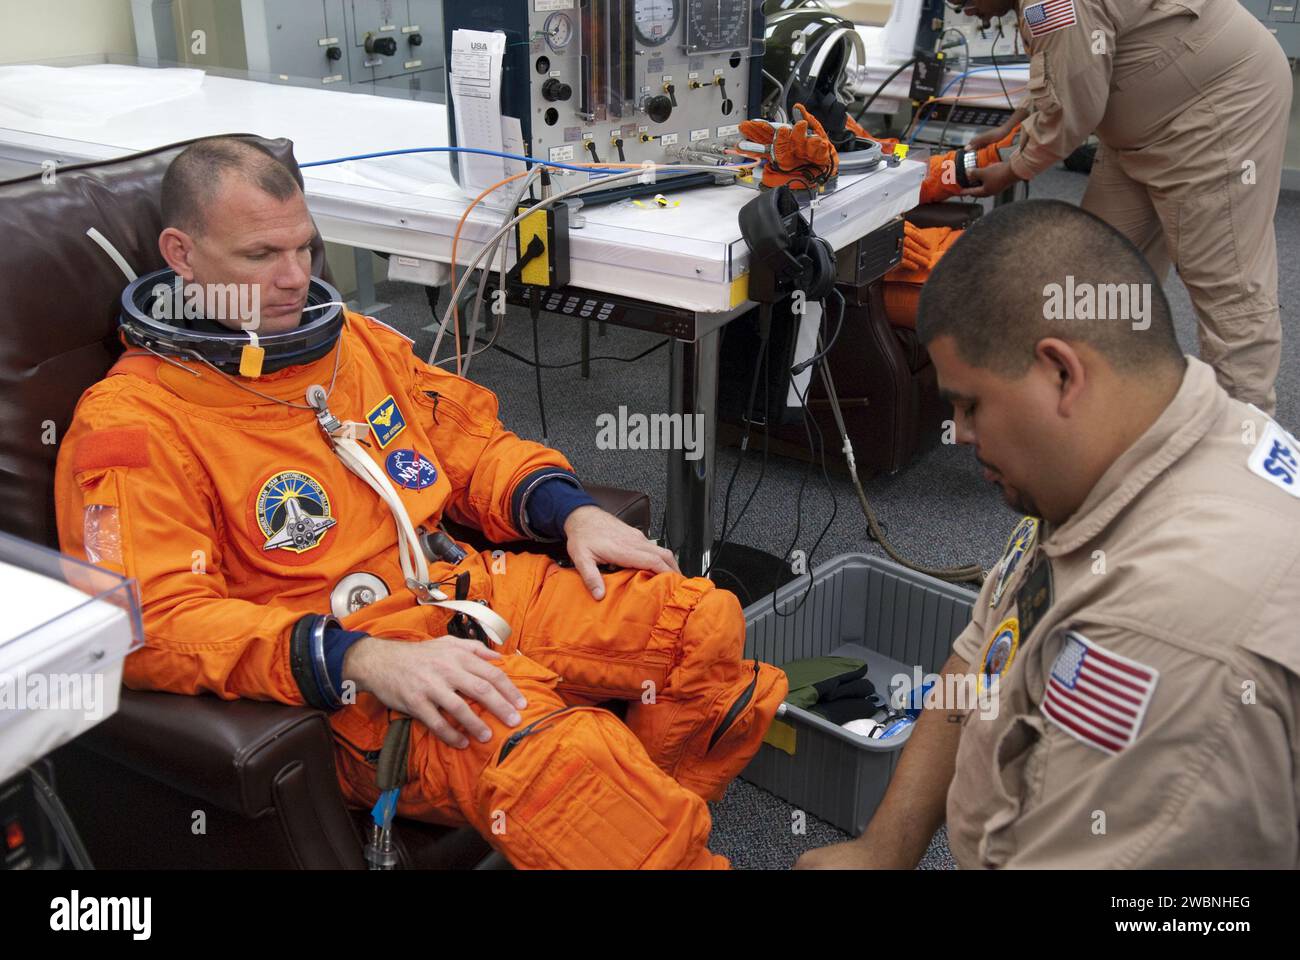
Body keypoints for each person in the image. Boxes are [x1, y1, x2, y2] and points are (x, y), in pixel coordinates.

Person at [54, 136, 787, 870]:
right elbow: (150, 623)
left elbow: (472, 445)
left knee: (698, 626)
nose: (295, 277)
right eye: (261, 255)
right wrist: (357, 656)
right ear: (181, 254)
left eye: (304, 247)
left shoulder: (357, 345)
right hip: (355, 676)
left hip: (462, 590)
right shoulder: (133, 424)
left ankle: (632, 832)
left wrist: (569, 509)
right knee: (562, 762)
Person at [797, 200, 1300, 868]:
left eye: (971, 404)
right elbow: (985, 653)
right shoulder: (1122, 447)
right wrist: (884, 849)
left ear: (1062, 373)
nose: (960, 434)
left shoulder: (1166, 637)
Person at [956, 0, 1292, 414]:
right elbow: (1066, 67)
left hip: (1219, 108)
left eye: (963, 0)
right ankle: (1116, 411)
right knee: (1099, 272)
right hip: (1141, 127)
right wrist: (1013, 126)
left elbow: (1074, 110)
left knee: (1226, 284)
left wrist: (1013, 170)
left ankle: (1244, 436)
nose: (967, 11)